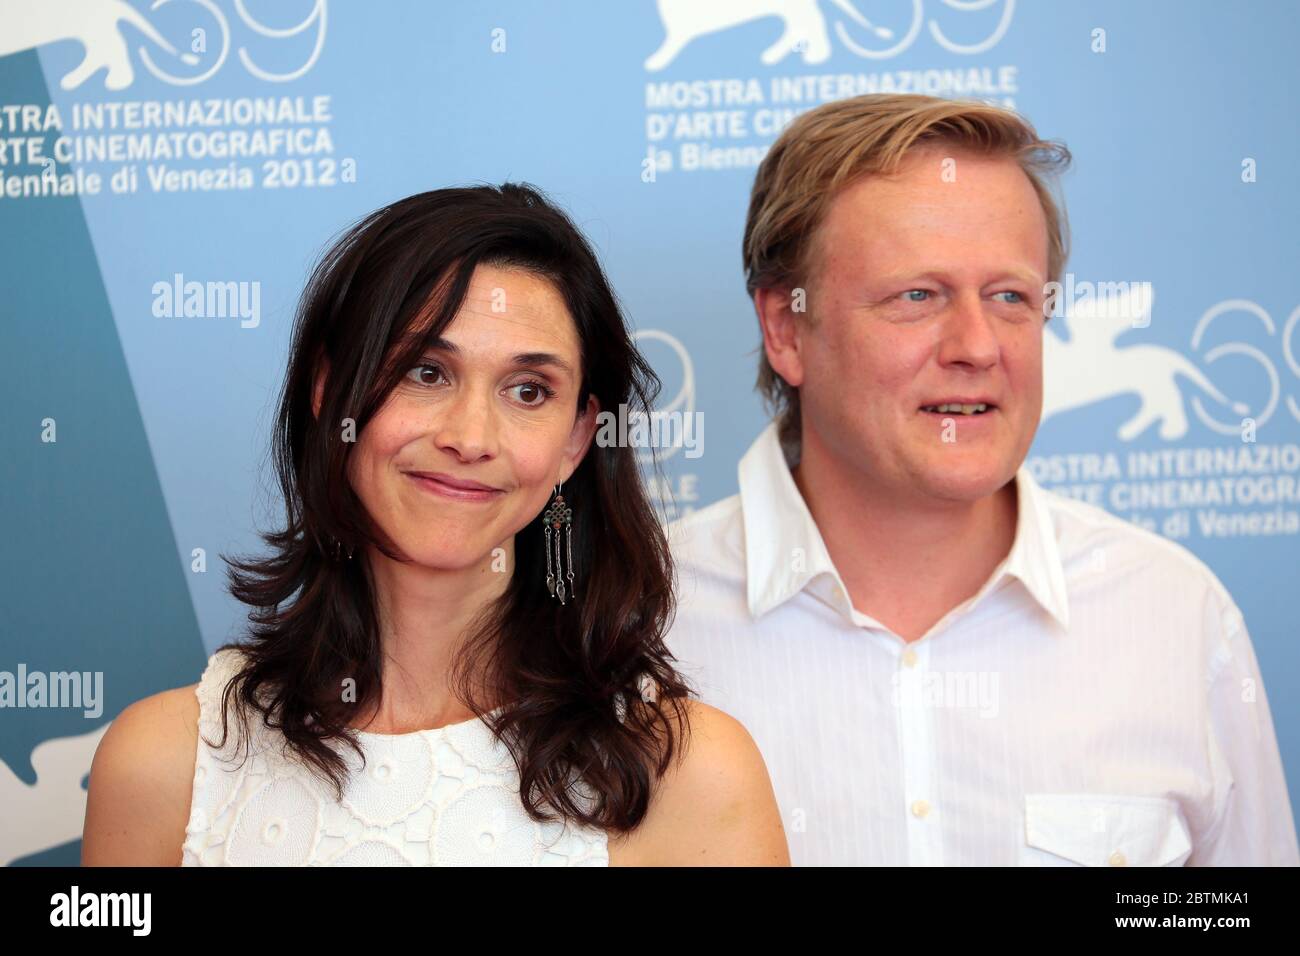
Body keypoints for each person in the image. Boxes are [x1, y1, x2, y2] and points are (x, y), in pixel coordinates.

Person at [663, 93, 1299, 866]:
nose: (977, 345)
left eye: (1010, 297)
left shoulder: (1175, 615)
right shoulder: (637, 625)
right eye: (917, 296)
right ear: (785, 329)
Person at [82, 183, 789, 867]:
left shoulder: (687, 774)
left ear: (578, 440)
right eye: (427, 372)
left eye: (528, 390)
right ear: (331, 393)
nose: (471, 435)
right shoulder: (163, 763)